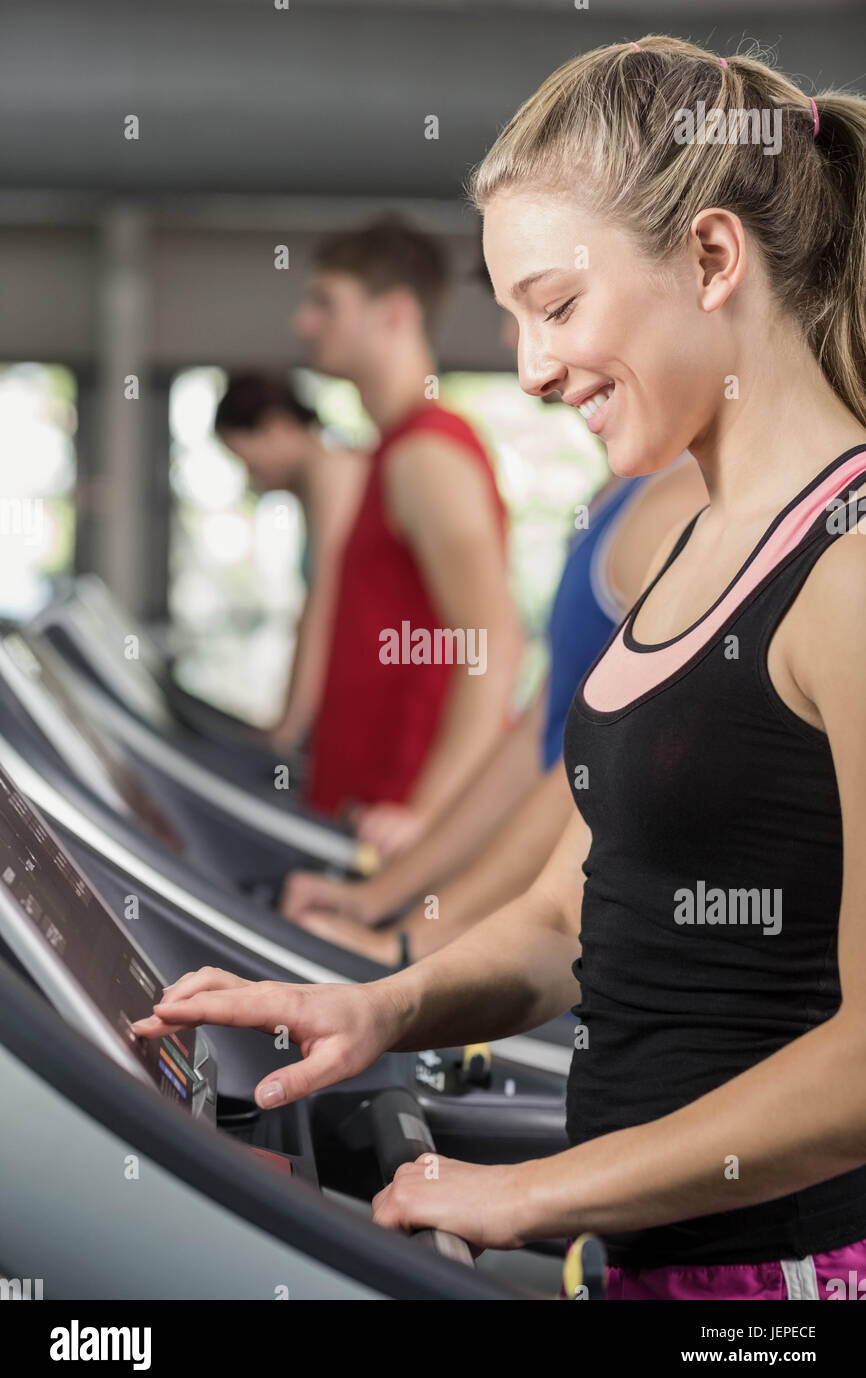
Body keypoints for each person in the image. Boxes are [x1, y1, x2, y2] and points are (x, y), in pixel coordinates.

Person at [136, 37, 866, 1300]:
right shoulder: (694, 542)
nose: (528, 369)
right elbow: (564, 914)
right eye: (514, 317)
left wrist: (523, 1194)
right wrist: (378, 1006)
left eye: (558, 306)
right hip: (640, 1259)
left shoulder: (848, 571)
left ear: (708, 259)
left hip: (784, 1284)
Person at [280, 455, 707, 964]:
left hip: (606, 963)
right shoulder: (623, 490)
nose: (536, 375)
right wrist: (377, 898)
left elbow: (602, 768)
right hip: (555, 939)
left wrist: (409, 942)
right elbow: (540, 737)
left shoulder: (688, 507)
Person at [290, 215, 523, 860]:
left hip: (402, 834)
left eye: (325, 303)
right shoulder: (389, 451)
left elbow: (494, 642)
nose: (303, 324)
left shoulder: (425, 454)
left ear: (394, 312)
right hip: (362, 818)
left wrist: (427, 816)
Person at [214, 373, 368, 752]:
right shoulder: (324, 472)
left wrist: (289, 727)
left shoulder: (329, 468)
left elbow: (326, 602)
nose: (251, 476)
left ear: (277, 426)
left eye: (245, 457)